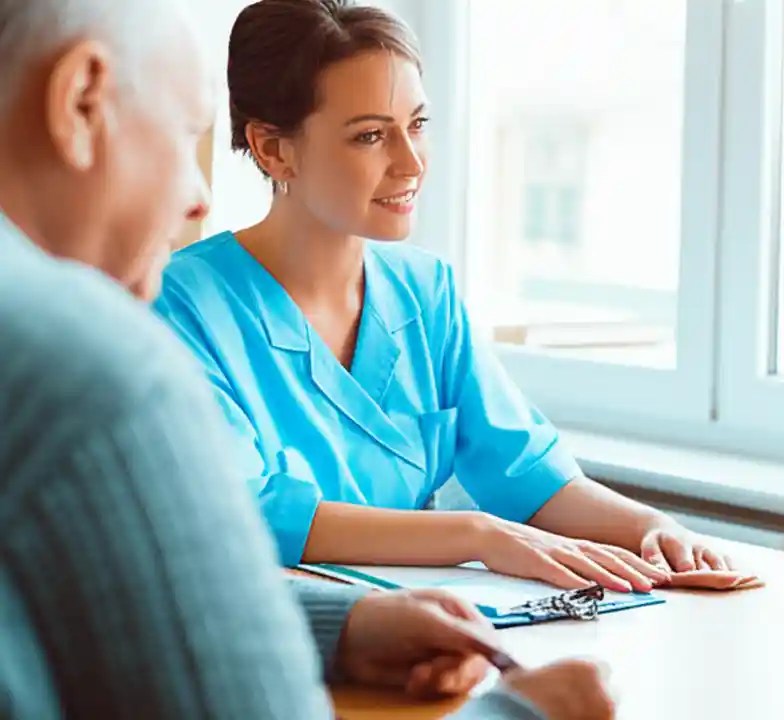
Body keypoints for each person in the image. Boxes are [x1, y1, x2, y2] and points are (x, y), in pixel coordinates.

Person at [0, 0, 613, 717]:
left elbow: (102, 594)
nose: (199, 201)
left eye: (417, 126)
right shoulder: (89, 367)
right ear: (80, 100)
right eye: (184, 130)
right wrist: (522, 713)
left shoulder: (425, 289)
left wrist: (343, 626)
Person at [153, 0, 733, 592]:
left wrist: (653, 528)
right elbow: (248, 509)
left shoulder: (426, 293)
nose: (410, 162)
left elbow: (528, 473)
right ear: (275, 149)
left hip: (424, 633)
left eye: (419, 125)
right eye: (371, 136)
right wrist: (476, 535)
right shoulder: (177, 304)